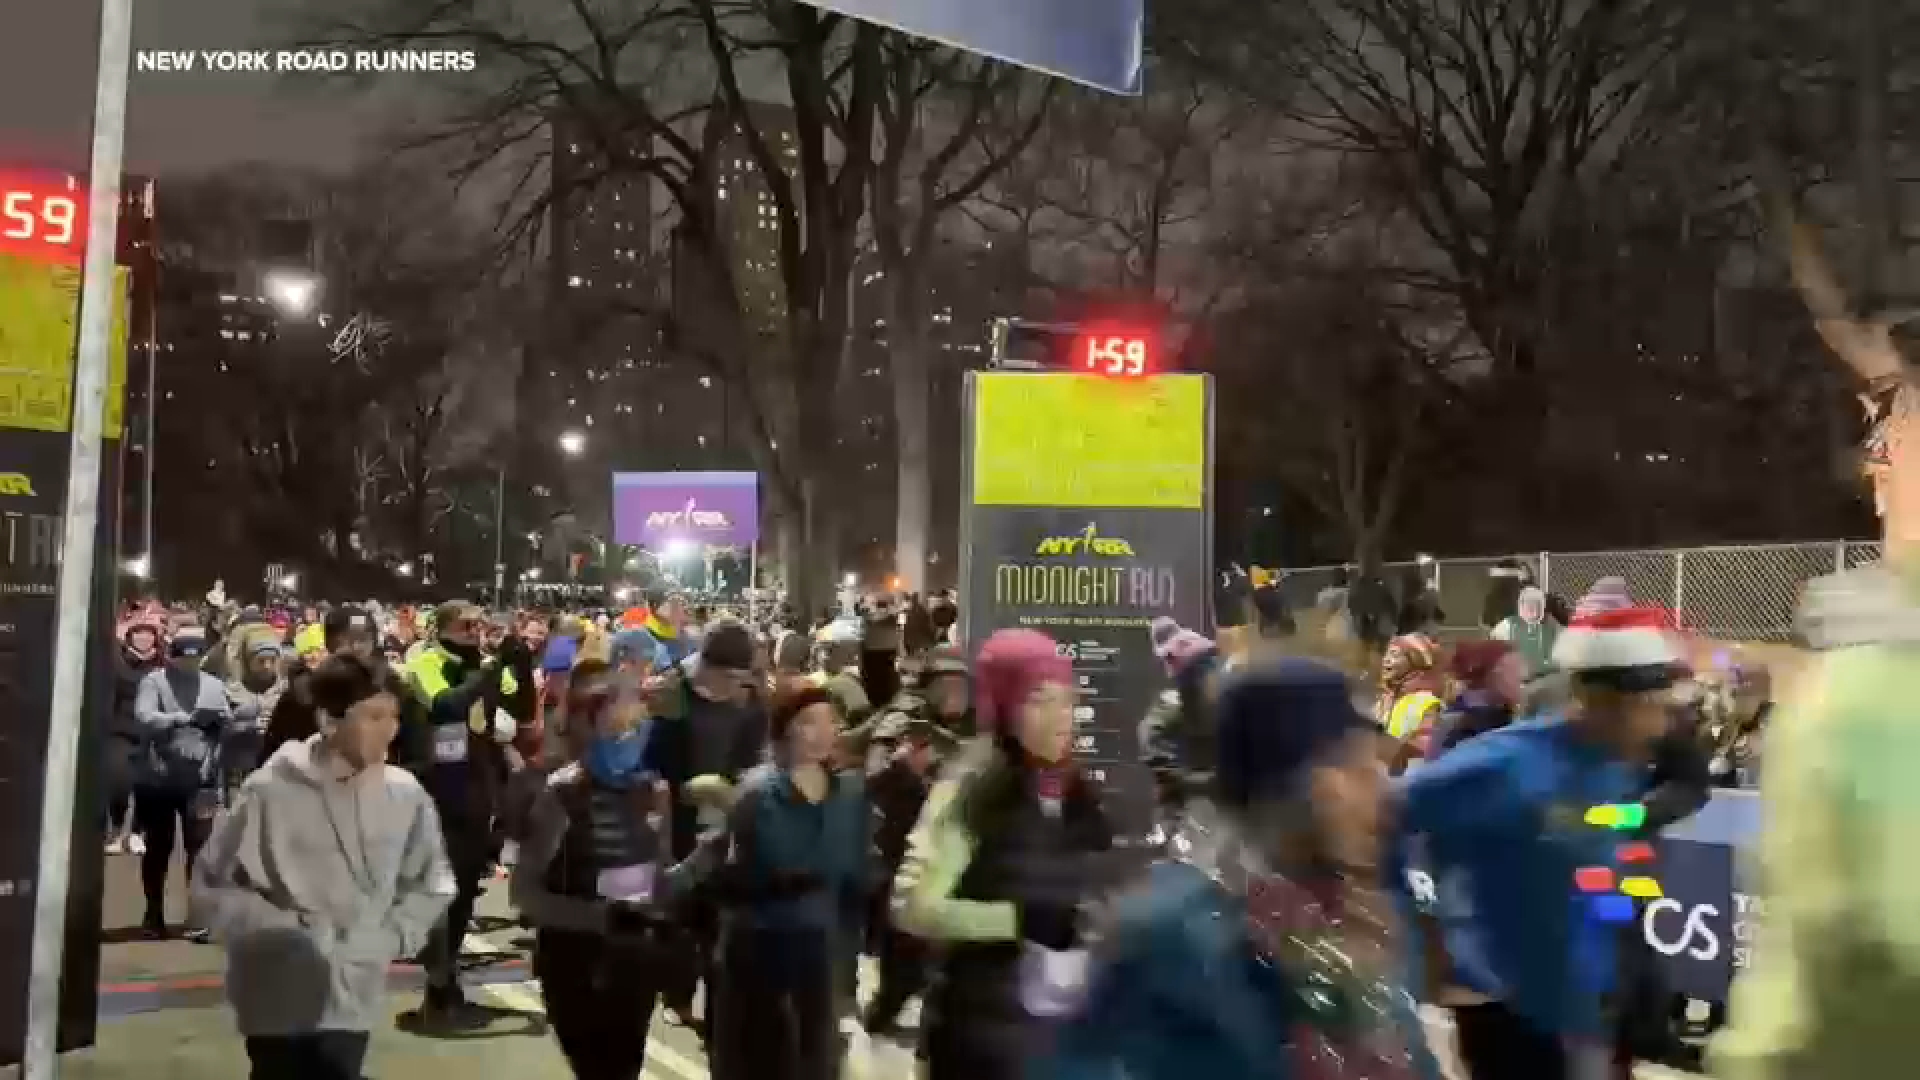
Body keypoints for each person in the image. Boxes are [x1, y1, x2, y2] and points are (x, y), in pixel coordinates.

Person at [1039, 657, 1438, 1080]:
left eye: (1376, 766)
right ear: (1283, 788)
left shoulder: (1373, 928)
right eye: (1351, 767)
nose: (1381, 792)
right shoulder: (1168, 944)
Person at [1399, 606, 1681, 1080]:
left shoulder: (1615, 764)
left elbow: (1600, 863)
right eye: (1648, 709)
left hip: (1586, 1011)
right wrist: (1421, 933)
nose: (1660, 728)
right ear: (1595, 698)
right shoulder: (1502, 763)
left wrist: (1624, 954)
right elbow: (1381, 819)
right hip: (1505, 1012)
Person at [191, 652, 455, 1080]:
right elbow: (212, 886)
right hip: (276, 991)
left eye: (393, 715)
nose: (390, 729)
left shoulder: (406, 795)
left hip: (355, 990)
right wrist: (282, 932)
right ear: (329, 721)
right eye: (372, 716)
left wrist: (390, 937)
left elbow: (431, 882)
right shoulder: (269, 790)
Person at [892, 628, 1114, 1080]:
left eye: (1067, 701)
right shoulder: (971, 788)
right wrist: (1017, 920)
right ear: (1005, 705)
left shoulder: (1075, 793)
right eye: (1039, 701)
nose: (1059, 718)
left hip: (1058, 1036)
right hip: (978, 1039)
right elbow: (913, 907)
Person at [512, 660, 676, 1079]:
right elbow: (525, 893)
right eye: (613, 727)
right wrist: (599, 917)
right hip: (576, 961)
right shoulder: (563, 794)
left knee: (626, 1066)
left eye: (634, 726)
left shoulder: (654, 790)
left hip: (636, 959)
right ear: (587, 729)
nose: (626, 737)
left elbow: (662, 876)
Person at [707, 686, 870, 1080]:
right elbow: (724, 873)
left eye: (830, 722)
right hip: (759, 952)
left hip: (821, 955)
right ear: (783, 731)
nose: (822, 732)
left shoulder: (849, 794)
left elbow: (853, 881)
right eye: (807, 723)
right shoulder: (757, 793)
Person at [403, 600, 520, 1028]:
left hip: (477, 786)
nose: (476, 633)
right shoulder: (425, 660)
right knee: (441, 889)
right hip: (435, 786)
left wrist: (516, 663)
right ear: (442, 628)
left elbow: (516, 701)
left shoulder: (484, 664)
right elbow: (447, 705)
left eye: (480, 625)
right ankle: (438, 981)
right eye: (466, 626)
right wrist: (486, 671)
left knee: (467, 886)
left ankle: (447, 974)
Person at [133, 624, 232, 939]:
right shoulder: (155, 681)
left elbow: (228, 718)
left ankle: (198, 917)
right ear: (171, 657)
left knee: (200, 850)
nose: (189, 664)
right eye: (182, 658)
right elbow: (143, 715)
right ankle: (153, 913)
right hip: (159, 775)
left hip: (200, 776)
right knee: (158, 847)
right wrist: (178, 719)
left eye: (195, 658)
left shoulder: (214, 685)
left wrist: (227, 721)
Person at [108, 614, 165, 856]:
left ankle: (137, 832)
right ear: (130, 636)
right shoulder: (117, 663)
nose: (144, 637)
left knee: (147, 786)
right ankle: (117, 828)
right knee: (117, 781)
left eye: (149, 633)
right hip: (120, 730)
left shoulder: (163, 666)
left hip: (150, 734)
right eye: (139, 632)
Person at [1492, 586, 1561, 679]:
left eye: (1536, 604)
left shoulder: (1551, 624)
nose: (1532, 608)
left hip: (1546, 679)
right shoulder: (1507, 625)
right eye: (1528, 604)